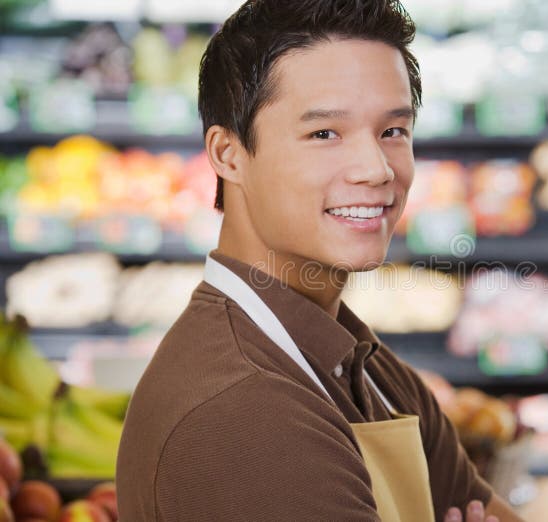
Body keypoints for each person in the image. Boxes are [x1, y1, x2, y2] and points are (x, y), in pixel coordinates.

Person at [116, 1, 525, 521]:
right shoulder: (245, 413)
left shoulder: (370, 370)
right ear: (228, 153)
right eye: (324, 134)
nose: (376, 170)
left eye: (393, 131)